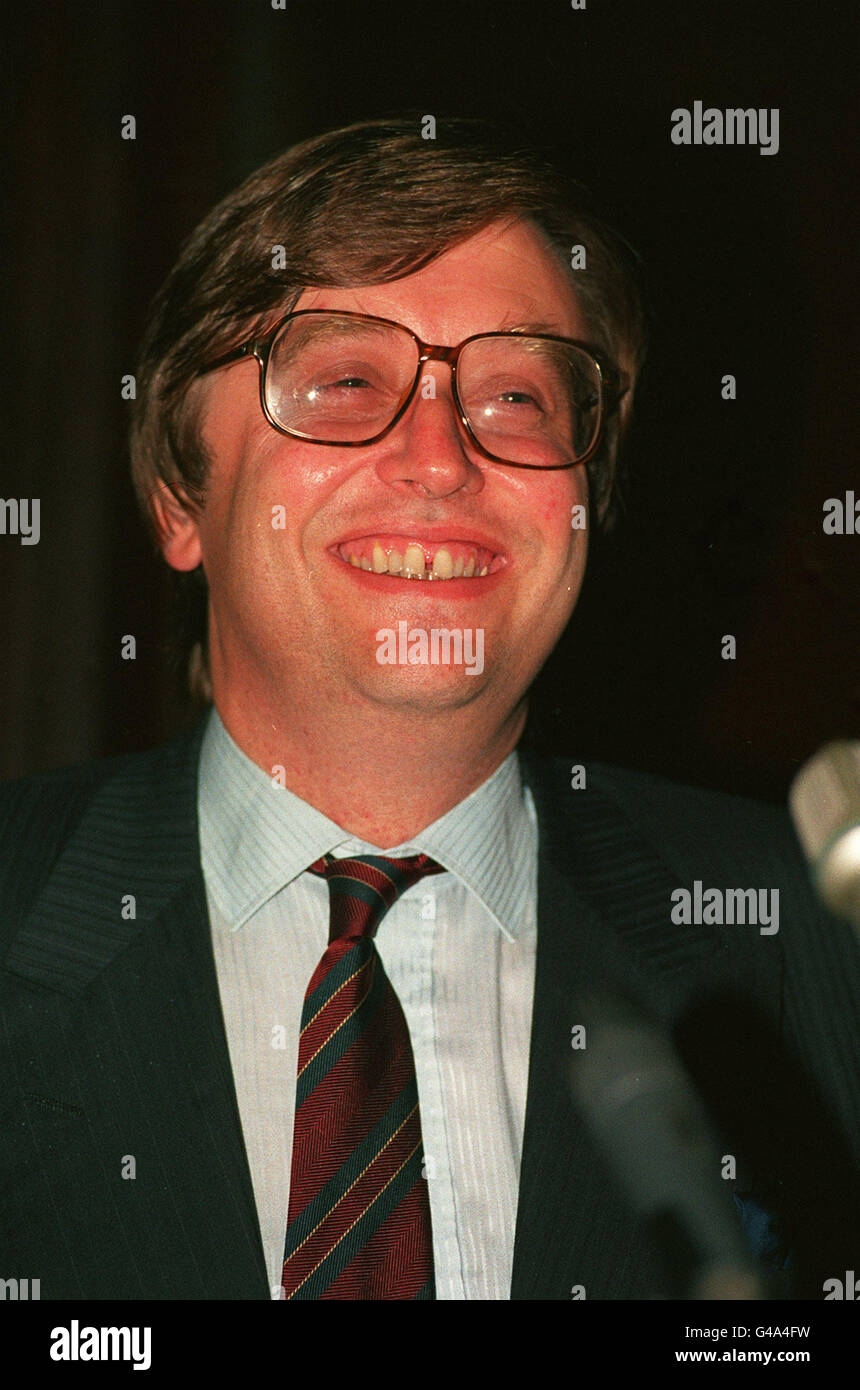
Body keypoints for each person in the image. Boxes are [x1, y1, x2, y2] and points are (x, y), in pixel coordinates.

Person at [0, 117, 856, 1301]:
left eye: (514, 397)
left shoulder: (811, 946)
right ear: (178, 499)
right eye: (346, 380)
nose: (441, 457)